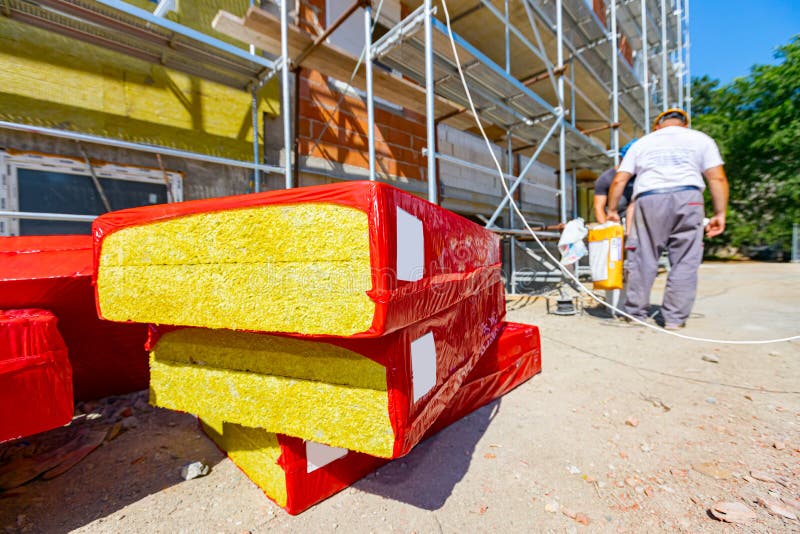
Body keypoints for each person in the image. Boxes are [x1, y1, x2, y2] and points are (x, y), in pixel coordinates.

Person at [606, 108, 729, 329]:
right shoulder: (701, 139)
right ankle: (674, 319)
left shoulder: (643, 143)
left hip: (649, 198)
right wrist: (720, 214)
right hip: (688, 196)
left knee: (643, 257)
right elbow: (717, 178)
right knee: (685, 260)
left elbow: (619, 180)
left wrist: (612, 210)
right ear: (685, 124)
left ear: (657, 126)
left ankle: (635, 314)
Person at [593, 138, 637, 234]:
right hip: (615, 224)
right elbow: (598, 207)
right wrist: (608, 231)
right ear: (623, 159)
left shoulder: (640, 176)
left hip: (637, 226)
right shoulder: (606, 178)